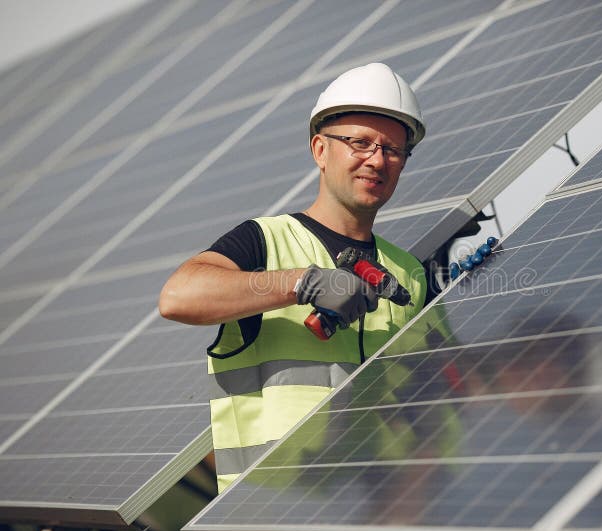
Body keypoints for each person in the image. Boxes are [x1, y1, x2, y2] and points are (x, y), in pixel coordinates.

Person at [159, 63, 429, 492]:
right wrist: (302, 283)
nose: (377, 160)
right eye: (359, 143)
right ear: (320, 150)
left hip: (370, 508)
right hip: (267, 510)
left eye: (393, 150)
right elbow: (178, 296)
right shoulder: (264, 241)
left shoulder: (410, 273)